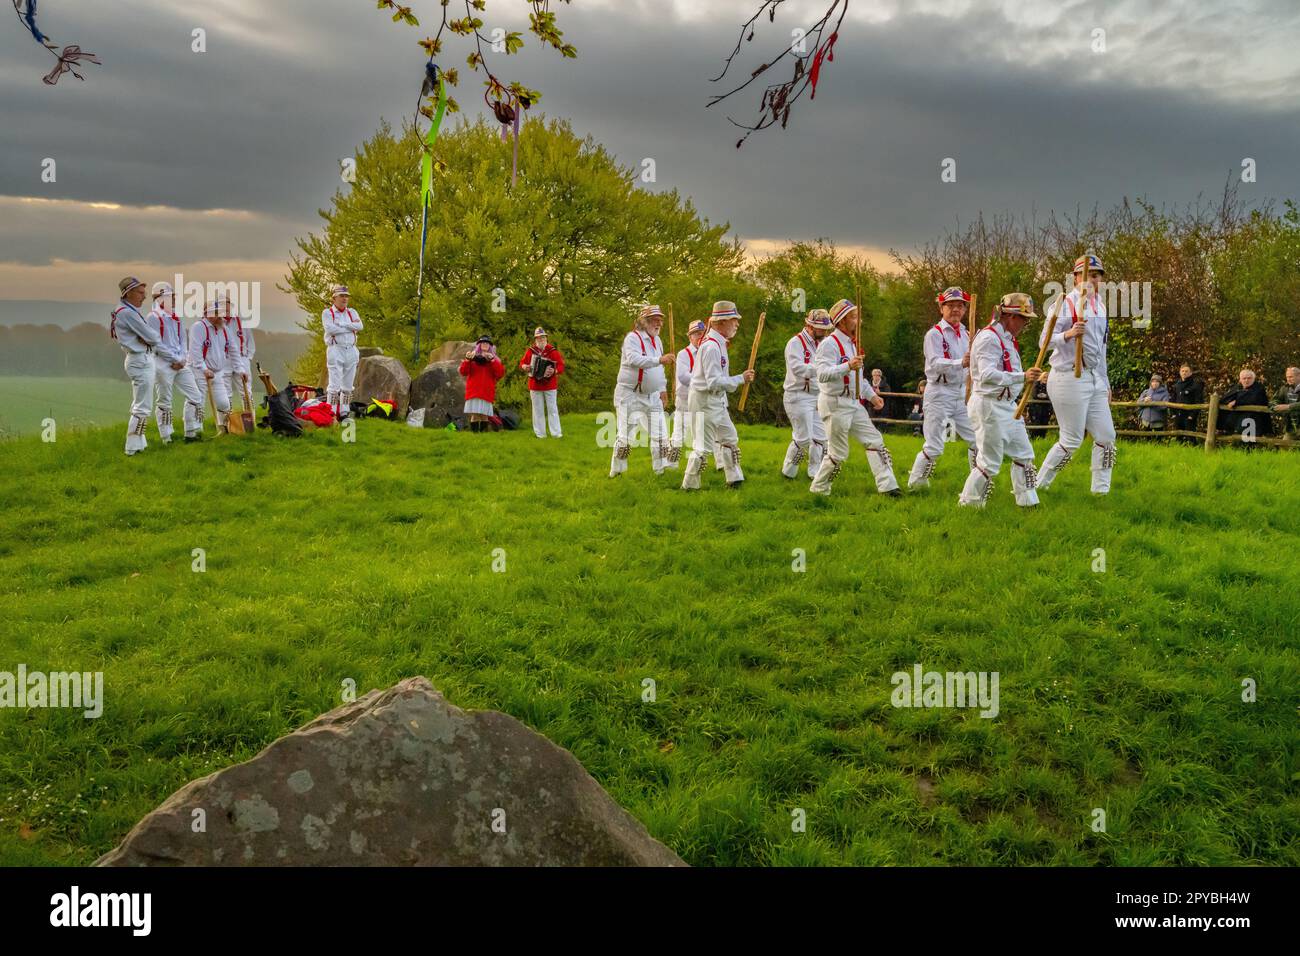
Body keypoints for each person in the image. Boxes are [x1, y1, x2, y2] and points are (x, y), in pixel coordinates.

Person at [1036, 254, 1118, 495]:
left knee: (1106, 436)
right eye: (1089, 275)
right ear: (1075, 278)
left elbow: (1101, 349)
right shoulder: (1063, 303)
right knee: (1071, 440)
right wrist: (1068, 334)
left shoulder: (1100, 306)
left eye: (1097, 276)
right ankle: (1038, 485)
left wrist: (1105, 382)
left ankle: (1100, 493)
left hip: (1093, 377)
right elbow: (1044, 342)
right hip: (1068, 376)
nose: (1093, 280)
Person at [809, 299, 901, 497]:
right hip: (835, 403)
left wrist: (872, 396)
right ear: (842, 321)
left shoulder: (852, 344)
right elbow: (822, 374)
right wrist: (847, 366)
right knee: (838, 453)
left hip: (853, 402)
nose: (858, 321)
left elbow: (858, 378)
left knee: (875, 440)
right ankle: (819, 488)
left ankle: (888, 487)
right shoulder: (829, 344)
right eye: (853, 317)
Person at [959, 293, 1042, 508]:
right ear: (1010, 316)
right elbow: (987, 374)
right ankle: (968, 504)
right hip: (989, 405)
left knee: (1024, 454)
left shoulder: (1007, 339)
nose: (1025, 324)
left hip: (1008, 406)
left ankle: (1028, 503)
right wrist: (1022, 377)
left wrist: (1023, 383)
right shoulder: (988, 338)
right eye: (1023, 319)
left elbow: (1010, 371)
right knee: (989, 463)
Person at [907, 287, 978, 489]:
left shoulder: (968, 334)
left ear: (965, 309)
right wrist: (960, 362)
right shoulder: (934, 334)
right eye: (950, 305)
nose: (955, 310)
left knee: (977, 440)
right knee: (935, 445)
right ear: (941, 308)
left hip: (962, 393)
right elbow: (935, 362)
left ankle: (977, 482)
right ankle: (916, 484)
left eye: (960, 306)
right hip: (939, 392)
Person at [681, 301, 752, 490]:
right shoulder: (711, 347)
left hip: (717, 401)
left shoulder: (719, 344)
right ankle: (689, 486)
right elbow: (713, 382)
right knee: (702, 448)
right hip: (704, 401)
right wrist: (740, 379)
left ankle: (734, 479)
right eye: (733, 320)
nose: (737, 324)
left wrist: (736, 381)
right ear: (720, 323)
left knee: (730, 438)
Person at [612, 305, 675, 476]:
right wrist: (660, 359)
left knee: (661, 434)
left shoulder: (658, 341)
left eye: (660, 321)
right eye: (655, 320)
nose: (659, 324)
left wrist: (662, 389)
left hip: (652, 395)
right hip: (630, 394)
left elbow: (659, 370)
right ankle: (617, 471)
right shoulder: (632, 338)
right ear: (644, 322)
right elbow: (634, 360)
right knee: (626, 436)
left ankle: (660, 470)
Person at [110, 276, 161, 456]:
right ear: (128, 293)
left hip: (140, 357)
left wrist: (147, 336)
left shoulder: (125, 310)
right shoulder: (127, 312)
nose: (144, 296)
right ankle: (131, 447)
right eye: (140, 292)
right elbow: (155, 337)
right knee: (142, 406)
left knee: (141, 403)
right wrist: (147, 337)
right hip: (139, 359)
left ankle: (140, 443)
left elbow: (151, 337)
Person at [780, 308, 833, 481]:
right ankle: (788, 471)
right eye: (820, 329)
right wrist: (820, 369)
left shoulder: (823, 343)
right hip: (797, 395)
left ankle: (815, 471)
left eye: (826, 329)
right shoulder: (795, 343)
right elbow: (797, 369)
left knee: (821, 437)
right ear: (809, 326)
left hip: (817, 395)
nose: (824, 332)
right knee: (803, 439)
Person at [147, 281, 203, 443]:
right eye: (171, 297)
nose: (174, 300)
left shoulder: (176, 316)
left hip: (180, 363)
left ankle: (190, 433)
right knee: (164, 400)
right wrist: (174, 359)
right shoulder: (153, 317)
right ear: (160, 298)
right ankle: (166, 438)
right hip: (162, 364)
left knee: (195, 396)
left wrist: (183, 358)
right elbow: (156, 343)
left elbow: (182, 339)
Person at [189, 300, 234, 434]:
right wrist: (204, 369)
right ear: (206, 313)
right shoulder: (198, 327)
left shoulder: (223, 328)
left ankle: (223, 429)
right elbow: (195, 352)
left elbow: (232, 349)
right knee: (199, 403)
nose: (219, 315)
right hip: (199, 371)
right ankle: (196, 432)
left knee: (224, 403)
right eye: (215, 313)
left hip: (217, 373)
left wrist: (240, 369)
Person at [670, 319, 708, 464]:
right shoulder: (684, 354)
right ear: (690, 336)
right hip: (685, 399)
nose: (700, 336)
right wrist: (705, 382)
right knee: (679, 433)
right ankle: (671, 464)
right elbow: (683, 376)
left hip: (702, 399)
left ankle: (715, 463)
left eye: (702, 333)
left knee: (704, 432)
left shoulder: (708, 351)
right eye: (696, 333)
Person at [322, 284, 363, 421]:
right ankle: (331, 412)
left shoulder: (352, 312)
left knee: (348, 384)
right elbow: (330, 329)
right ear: (334, 298)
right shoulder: (328, 313)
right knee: (334, 383)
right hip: (336, 349)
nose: (345, 299)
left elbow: (360, 326)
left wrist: (342, 325)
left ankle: (344, 411)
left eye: (346, 296)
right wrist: (350, 327)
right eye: (342, 296)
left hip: (351, 349)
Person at [519, 326, 564, 438]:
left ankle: (556, 433)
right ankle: (540, 434)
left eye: (543, 338)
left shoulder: (552, 351)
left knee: (552, 409)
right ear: (535, 340)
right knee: (537, 410)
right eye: (539, 338)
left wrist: (554, 370)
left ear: (546, 338)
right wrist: (525, 367)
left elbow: (561, 366)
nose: (541, 340)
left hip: (550, 385)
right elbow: (522, 363)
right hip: (535, 385)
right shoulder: (530, 351)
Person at [459, 336, 506, 432]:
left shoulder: (494, 359)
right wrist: (467, 360)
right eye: (483, 342)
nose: (485, 344)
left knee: (484, 415)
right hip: (473, 391)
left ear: (490, 346)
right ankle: (475, 437)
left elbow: (500, 374)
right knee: (475, 415)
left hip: (486, 391)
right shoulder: (472, 357)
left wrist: (492, 360)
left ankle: (484, 437)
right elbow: (463, 372)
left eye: (487, 343)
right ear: (479, 345)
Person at [223, 300, 256, 421]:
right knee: (226, 394)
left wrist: (248, 359)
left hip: (242, 360)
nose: (225, 311)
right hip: (223, 361)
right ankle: (228, 421)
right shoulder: (216, 323)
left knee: (246, 392)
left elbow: (250, 342)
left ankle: (250, 420)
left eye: (227, 308)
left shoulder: (241, 321)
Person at [1221, 368, 1272, 446]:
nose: (1246, 380)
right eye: (1244, 378)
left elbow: (1253, 399)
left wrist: (1237, 401)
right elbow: (1225, 398)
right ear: (1240, 380)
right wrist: (1234, 400)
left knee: (1249, 442)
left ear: (1253, 379)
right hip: (1239, 419)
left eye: (1249, 378)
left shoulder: (1259, 388)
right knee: (1239, 441)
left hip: (1254, 420)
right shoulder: (1238, 387)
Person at [1169, 364, 1204, 439]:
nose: (1184, 373)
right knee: (1179, 438)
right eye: (1182, 371)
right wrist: (1173, 413)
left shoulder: (1195, 385)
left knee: (1191, 437)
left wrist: (1192, 415)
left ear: (1191, 373)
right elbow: (1172, 400)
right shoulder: (1177, 385)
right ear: (1180, 372)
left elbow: (1199, 401)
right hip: (1178, 415)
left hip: (1189, 416)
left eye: (1186, 371)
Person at [1271, 366, 1300, 439]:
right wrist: (1275, 406)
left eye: (1291, 377)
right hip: (1290, 427)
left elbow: (1290, 406)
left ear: (1298, 376)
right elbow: (1274, 400)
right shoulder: (1284, 388)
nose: (1288, 379)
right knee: (1284, 448)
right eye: (1287, 377)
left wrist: (1288, 406)